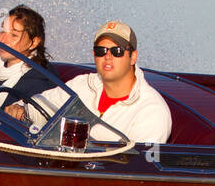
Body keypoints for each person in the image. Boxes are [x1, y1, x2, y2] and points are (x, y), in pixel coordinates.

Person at [40, 20, 172, 145]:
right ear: (93, 54)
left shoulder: (152, 110)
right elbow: (39, 105)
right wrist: (21, 110)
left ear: (133, 57)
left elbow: (140, 164)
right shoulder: (81, 85)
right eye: (100, 51)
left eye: (117, 51)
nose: (107, 56)